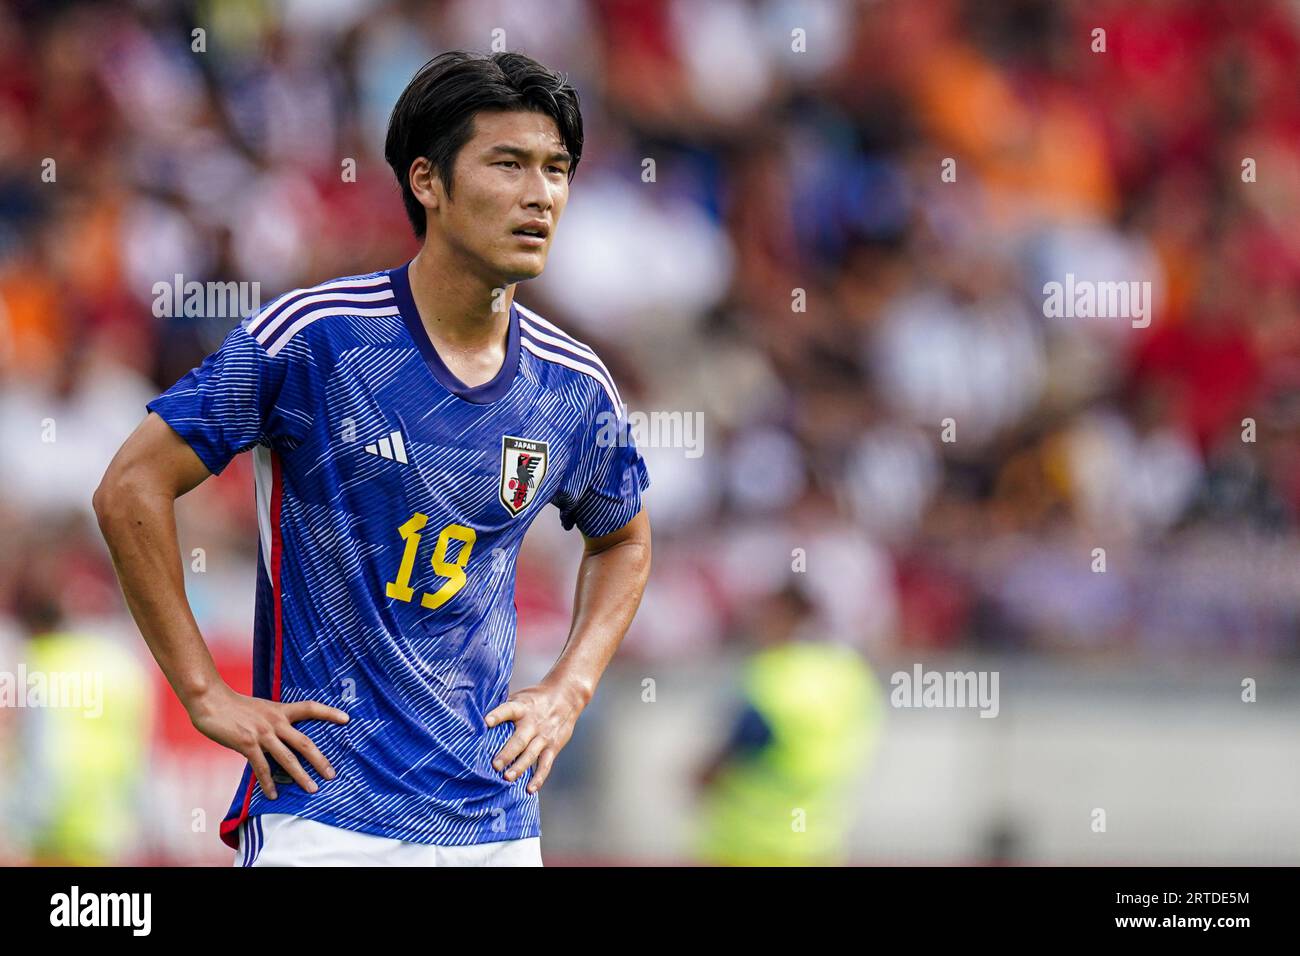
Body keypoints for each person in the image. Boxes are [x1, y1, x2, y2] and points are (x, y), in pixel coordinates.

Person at [94, 50, 652, 867]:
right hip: (325, 813)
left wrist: (569, 687)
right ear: (428, 182)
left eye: (556, 169)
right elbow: (130, 487)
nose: (540, 194)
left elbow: (625, 539)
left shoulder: (573, 386)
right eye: (508, 164)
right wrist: (205, 693)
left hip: (493, 820)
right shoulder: (317, 339)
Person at [693, 584, 881, 866]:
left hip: (748, 845)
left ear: (784, 618)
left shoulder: (769, 677)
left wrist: (697, 778)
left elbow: (731, 755)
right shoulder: (851, 675)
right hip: (820, 842)